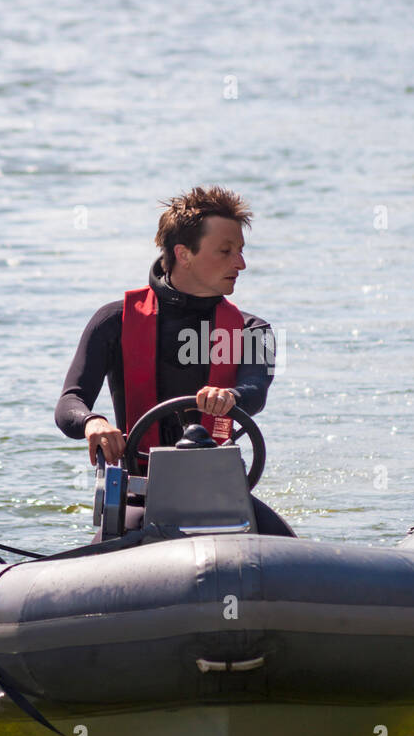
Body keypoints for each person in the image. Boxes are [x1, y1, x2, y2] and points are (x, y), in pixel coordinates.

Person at [55, 186, 292, 534]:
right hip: (140, 497)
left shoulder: (253, 330)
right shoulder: (112, 323)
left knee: (291, 548)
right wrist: (93, 422)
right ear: (184, 254)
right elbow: (69, 403)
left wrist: (232, 397)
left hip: (222, 492)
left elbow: (255, 391)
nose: (241, 264)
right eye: (225, 252)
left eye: (240, 251)